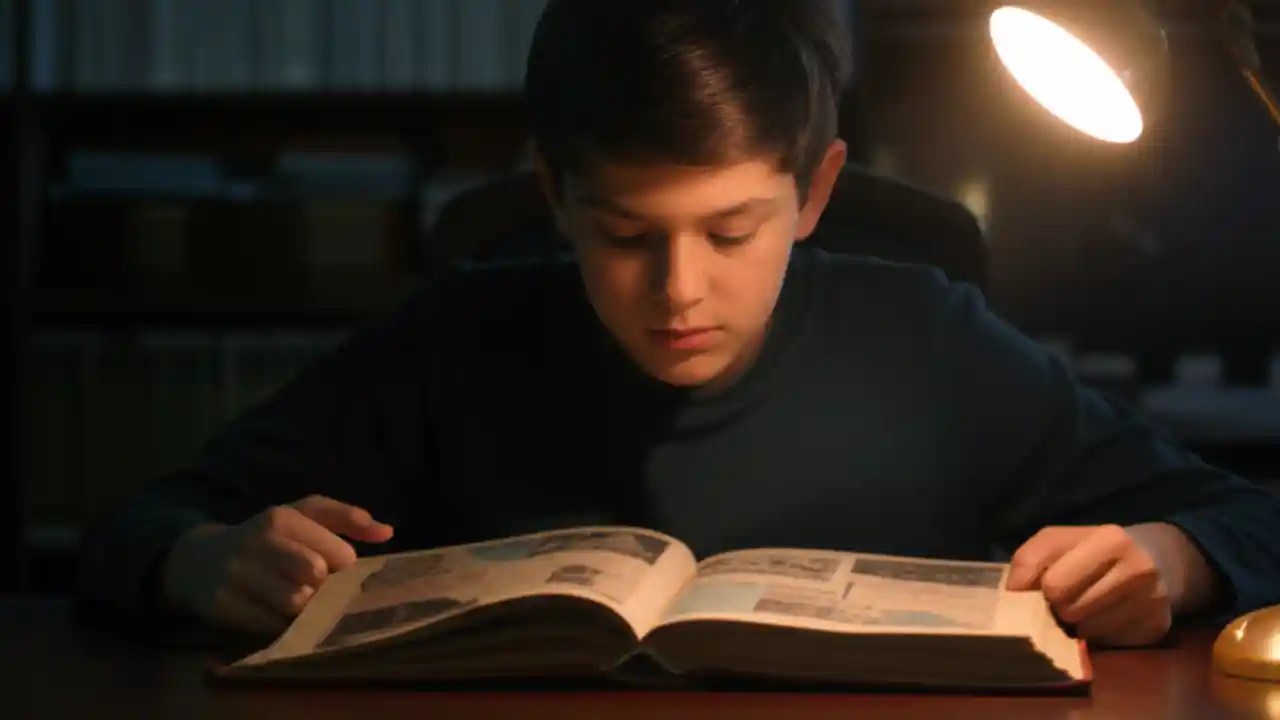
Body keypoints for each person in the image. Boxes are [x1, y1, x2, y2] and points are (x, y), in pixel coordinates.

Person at [78, 0, 1280, 648]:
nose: (679, 292)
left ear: (813, 192)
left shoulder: (924, 336)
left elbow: (1248, 519)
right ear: (552, 195)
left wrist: (1171, 563)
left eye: (730, 230)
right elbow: (130, 523)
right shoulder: (456, 339)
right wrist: (198, 562)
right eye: (624, 235)